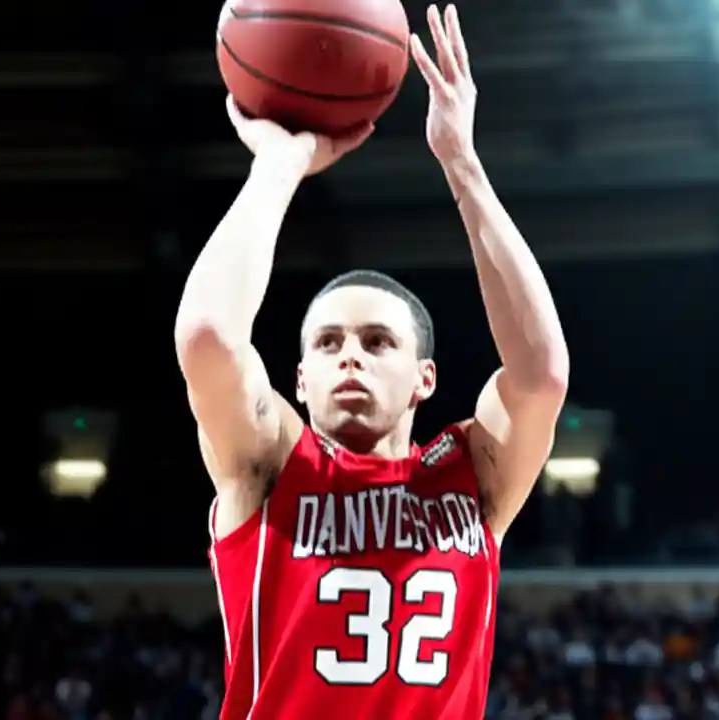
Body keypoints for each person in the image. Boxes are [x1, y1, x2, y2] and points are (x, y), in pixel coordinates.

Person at [174, 5, 569, 719]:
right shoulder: (270, 465)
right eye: (327, 343)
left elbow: (542, 375)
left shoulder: (469, 476)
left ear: (425, 378)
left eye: (378, 341)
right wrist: (278, 167)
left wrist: (463, 164)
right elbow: (207, 336)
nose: (349, 355)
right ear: (300, 380)